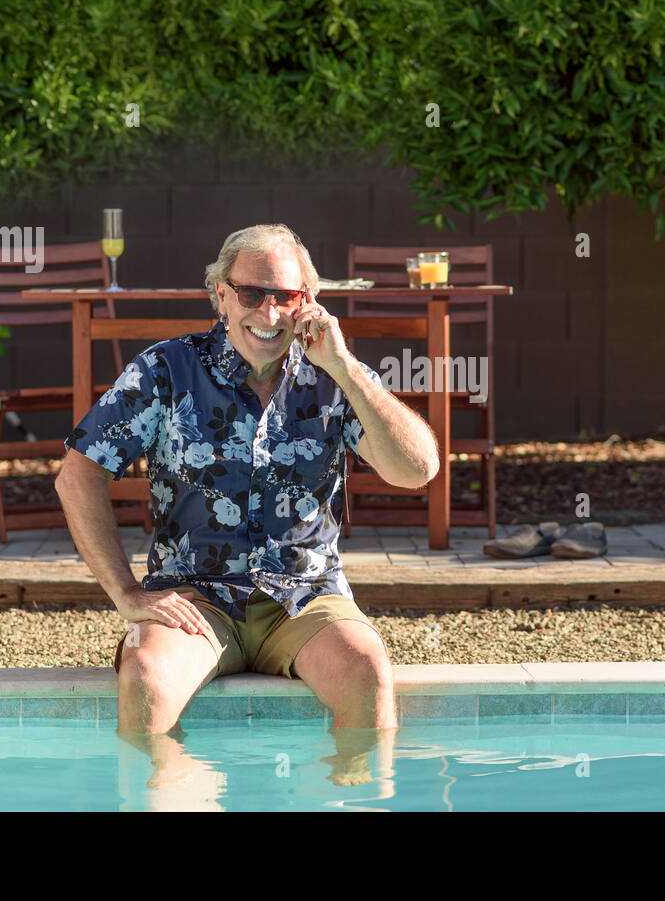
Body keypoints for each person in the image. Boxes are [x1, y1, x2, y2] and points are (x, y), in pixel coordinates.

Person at [55, 223, 439, 791]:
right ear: (221, 296)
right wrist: (126, 594)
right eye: (253, 293)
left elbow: (418, 470)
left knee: (369, 673)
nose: (269, 310)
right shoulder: (167, 370)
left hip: (304, 597)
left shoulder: (332, 379)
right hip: (196, 595)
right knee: (146, 675)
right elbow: (78, 474)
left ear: (308, 302)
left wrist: (349, 368)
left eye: (286, 295)